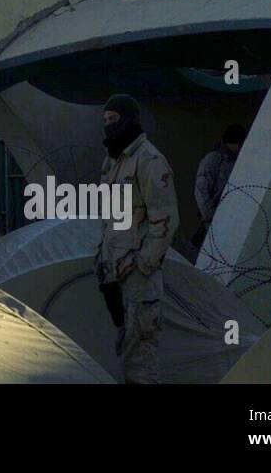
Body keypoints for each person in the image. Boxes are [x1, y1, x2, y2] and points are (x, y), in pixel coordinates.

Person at [94, 94, 179, 384]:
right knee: (125, 352)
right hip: (115, 275)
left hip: (139, 280)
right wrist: (102, 257)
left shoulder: (149, 160)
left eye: (114, 120)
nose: (108, 127)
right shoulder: (112, 162)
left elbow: (166, 219)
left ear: (129, 120)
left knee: (141, 360)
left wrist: (143, 263)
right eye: (105, 121)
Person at [194, 123, 246, 236]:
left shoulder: (235, 160)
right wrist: (210, 216)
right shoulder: (214, 159)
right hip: (213, 219)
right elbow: (201, 191)